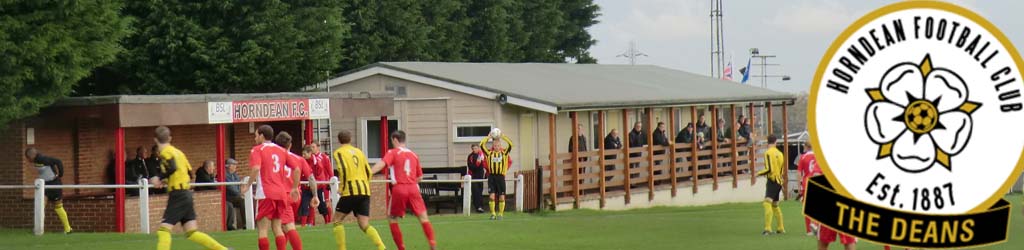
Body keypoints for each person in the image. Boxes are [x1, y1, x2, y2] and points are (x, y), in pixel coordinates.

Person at [148, 126, 229, 250]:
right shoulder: (179, 152)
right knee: (191, 232)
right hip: (186, 193)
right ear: (170, 138)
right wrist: (168, 180)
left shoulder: (165, 152)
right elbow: (189, 173)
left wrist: (159, 178)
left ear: (155, 139)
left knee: (163, 230)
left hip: (178, 194)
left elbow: (172, 167)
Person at [240, 125, 305, 250]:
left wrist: (248, 185)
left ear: (262, 136)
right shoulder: (281, 150)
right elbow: (296, 169)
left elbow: (256, 168)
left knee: (262, 229)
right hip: (281, 194)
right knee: (277, 227)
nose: (255, 139)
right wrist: (294, 187)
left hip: (266, 193)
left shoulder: (257, 150)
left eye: (256, 135)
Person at [370, 130, 438, 250]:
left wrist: (368, 173)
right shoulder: (413, 154)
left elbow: (382, 164)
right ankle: (432, 244)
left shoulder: (392, 152)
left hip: (400, 188)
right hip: (413, 188)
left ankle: (401, 248)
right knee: (423, 217)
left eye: (392, 140)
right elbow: (420, 177)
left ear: (395, 139)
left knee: (392, 218)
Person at [330, 130, 387, 250]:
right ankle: (382, 247)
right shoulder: (359, 152)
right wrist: (364, 184)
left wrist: (341, 187)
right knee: (364, 224)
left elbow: (343, 170)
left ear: (339, 140)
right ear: (350, 139)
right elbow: (368, 171)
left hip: (350, 190)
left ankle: (342, 249)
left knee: (337, 220)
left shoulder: (339, 152)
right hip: (364, 191)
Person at [275, 132, 319, 249]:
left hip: (283, 196)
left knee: (286, 227)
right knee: (285, 226)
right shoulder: (299, 159)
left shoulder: (275, 159)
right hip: (296, 196)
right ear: (290, 145)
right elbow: (311, 178)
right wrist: (315, 195)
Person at [24, 148, 73, 234]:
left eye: (28, 158)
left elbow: (58, 161)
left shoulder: (42, 159)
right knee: (41, 205)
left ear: (32, 156)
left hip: (54, 184)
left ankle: (68, 229)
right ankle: (38, 229)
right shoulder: (36, 161)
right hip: (45, 185)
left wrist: (60, 174)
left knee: (58, 207)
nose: (28, 160)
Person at [480, 130, 513, 220]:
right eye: (495, 145)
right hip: (492, 176)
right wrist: (488, 137)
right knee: (491, 196)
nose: (496, 147)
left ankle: (501, 214)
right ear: (493, 146)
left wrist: (502, 136)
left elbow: (510, 144)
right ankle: (493, 214)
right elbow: (481, 145)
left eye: (498, 145)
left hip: (500, 177)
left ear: (500, 146)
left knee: (502, 197)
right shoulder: (489, 153)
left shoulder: (504, 153)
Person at [758, 135, 786, 236]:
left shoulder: (768, 153)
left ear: (767, 142)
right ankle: (780, 228)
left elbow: (769, 169)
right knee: (775, 205)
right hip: (779, 181)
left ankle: (767, 229)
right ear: (775, 142)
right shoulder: (780, 153)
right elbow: (782, 169)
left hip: (772, 181)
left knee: (767, 203)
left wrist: (759, 173)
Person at [796, 141, 819, 236]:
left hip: (806, 184)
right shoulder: (818, 156)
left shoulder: (803, 157)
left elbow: (799, 173)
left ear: (806, 147)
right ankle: (816, 225)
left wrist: (799, 187)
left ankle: (809, 230)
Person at [310, 143, 334, 224]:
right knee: (312, 203)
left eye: (313, 147)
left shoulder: (324, 157)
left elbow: (330, 171)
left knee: (325, 203)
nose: (312, 149)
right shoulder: (310, 158)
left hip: (323, 184)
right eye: (311, 147)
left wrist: (331, 183)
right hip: (314, 184)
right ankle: (311, 223)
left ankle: (328, 221)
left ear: (318, 147)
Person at [296, 145, 319, 227]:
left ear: (310, 153)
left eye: (305, 154)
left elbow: (318, 173)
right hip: (305, 188)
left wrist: (315, 183)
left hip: (313, 187)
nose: (303, 156)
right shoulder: (302, 161)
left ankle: (310, 223)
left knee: (313, 204)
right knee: (304, 205)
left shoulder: (316, 162)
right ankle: (303, 224)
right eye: (302, 154)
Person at [466, 144, 487, 213]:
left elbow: (484, 165)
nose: (475, 149)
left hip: (480, 176)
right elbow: (471, 167)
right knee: (475, 192)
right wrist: (477, 165)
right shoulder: (470, 156)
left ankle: (481, 206)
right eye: (474, 148)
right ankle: (477, 206)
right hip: (474, 176)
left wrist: (485, 173)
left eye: (477, 148)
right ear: (472, 149)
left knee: (480, 191)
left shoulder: (481, 155)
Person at [224, 158, 244, 231]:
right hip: (228, 197)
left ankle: (245, 224)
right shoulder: (225, 175)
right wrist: (240, 193)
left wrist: (239, 192)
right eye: (234, 164)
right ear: (228, 166)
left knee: (244, 200)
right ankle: (233, 225)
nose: (235, 166)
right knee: (241, 200)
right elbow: (231, 188)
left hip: (235, 196)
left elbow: (239, 185)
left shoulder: (235, 175)